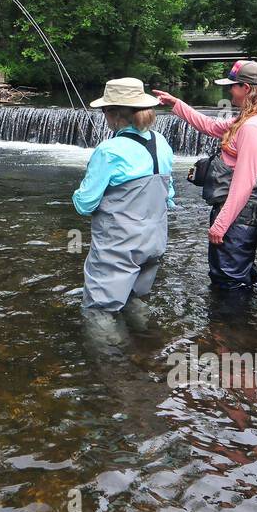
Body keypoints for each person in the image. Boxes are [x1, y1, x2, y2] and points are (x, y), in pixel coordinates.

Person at [153, 60, 257, 293]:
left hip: (238, 215)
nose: (229, 90)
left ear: (247, 89)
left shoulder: (252, 127)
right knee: (240, 273)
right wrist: (176, 104)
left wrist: (220, 224)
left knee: (227, 280)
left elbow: (244, 183)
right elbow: (211, 127)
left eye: (233, 86)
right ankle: (243, 325)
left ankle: (228, 327)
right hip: (242, 213)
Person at [73, 78, 175, 333]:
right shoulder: (161, 142)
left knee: (99, 310)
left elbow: (85, 204)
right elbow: (168, 194)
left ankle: (114, 366)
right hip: (154, 242)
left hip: (118, 247)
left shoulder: (109, 150)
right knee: (134, 299)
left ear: (113, 113)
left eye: (104, 110)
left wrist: (78, 192)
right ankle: (145, 345)